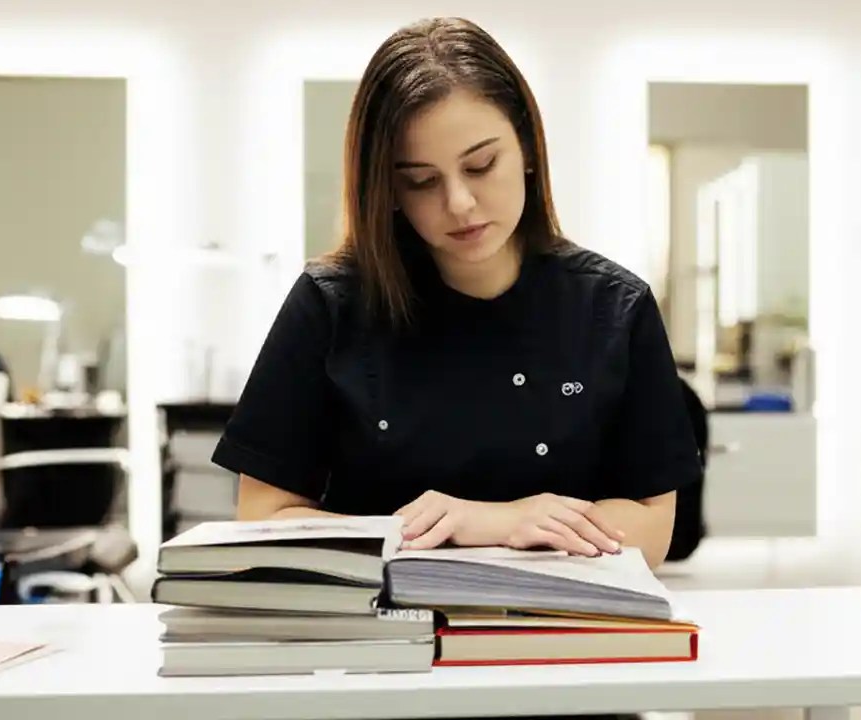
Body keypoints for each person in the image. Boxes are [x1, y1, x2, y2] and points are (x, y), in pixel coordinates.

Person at [212, 16, 701, 573]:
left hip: (556, 632)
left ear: (528, 148)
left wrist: (489, 521)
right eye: (421, 181)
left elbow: (653, 522)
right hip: (377, 636)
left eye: (481, 164)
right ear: (386, 190)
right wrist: (458, 527)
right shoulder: (329, 305)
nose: (461, 203)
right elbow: (260, 517)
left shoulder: (614, 307)